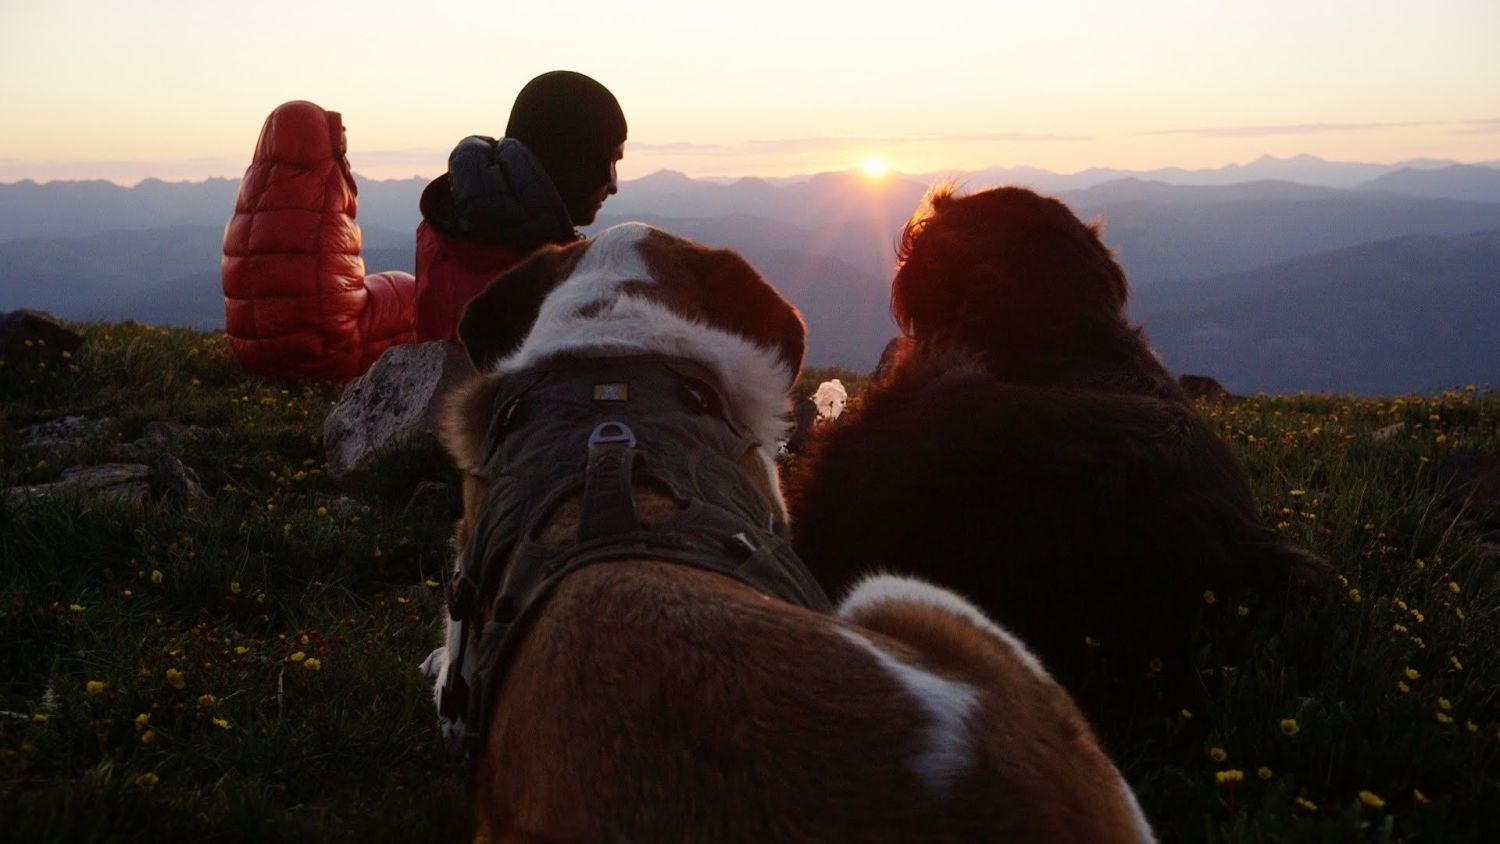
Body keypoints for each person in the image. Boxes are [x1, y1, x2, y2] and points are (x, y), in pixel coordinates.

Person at [414, 71, 627, 343]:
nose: (613, 184)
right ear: (577, 160)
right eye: (611, 161)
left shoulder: (447, 229)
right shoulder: (539, 288)